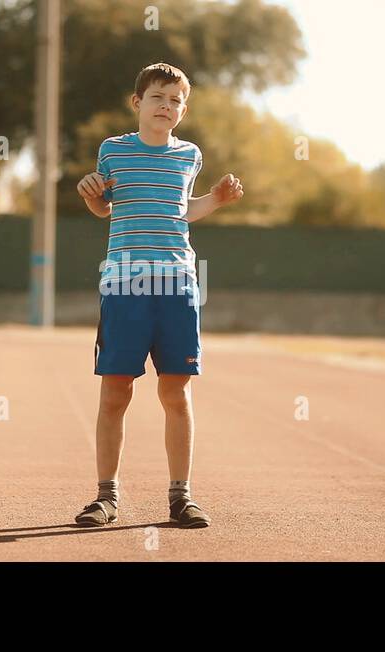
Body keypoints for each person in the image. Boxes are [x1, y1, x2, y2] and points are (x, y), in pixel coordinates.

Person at [73, 62, 244, 529]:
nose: (166, 106)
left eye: (175, 101)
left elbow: (182, 210)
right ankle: (105, 498)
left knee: (176, 393)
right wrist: (91, 194)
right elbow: (104, 206)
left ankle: (180, 497)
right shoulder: (113, 151)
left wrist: (217, 200)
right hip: (125, 284)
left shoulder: (189, 156)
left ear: (183, 109)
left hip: (177, 285)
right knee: (115, 392)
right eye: (157, 97)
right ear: (137, 103)